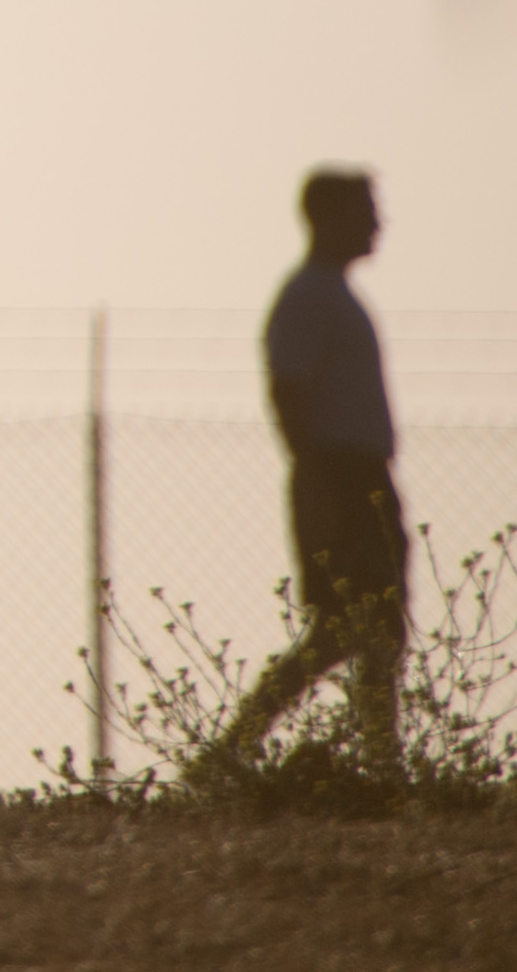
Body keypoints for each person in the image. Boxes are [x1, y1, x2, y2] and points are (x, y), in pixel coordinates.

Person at [211, 167, 408, 771]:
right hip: (338, 476)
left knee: (377, 628)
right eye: (364, 209)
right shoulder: (309, 296)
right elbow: (287, 389)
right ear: (328, 216)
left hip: (361, 475)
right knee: (344, 628)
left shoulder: (334, 295)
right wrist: (319, 482)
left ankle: (381, 762)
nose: (377, 223)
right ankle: (237, 748)